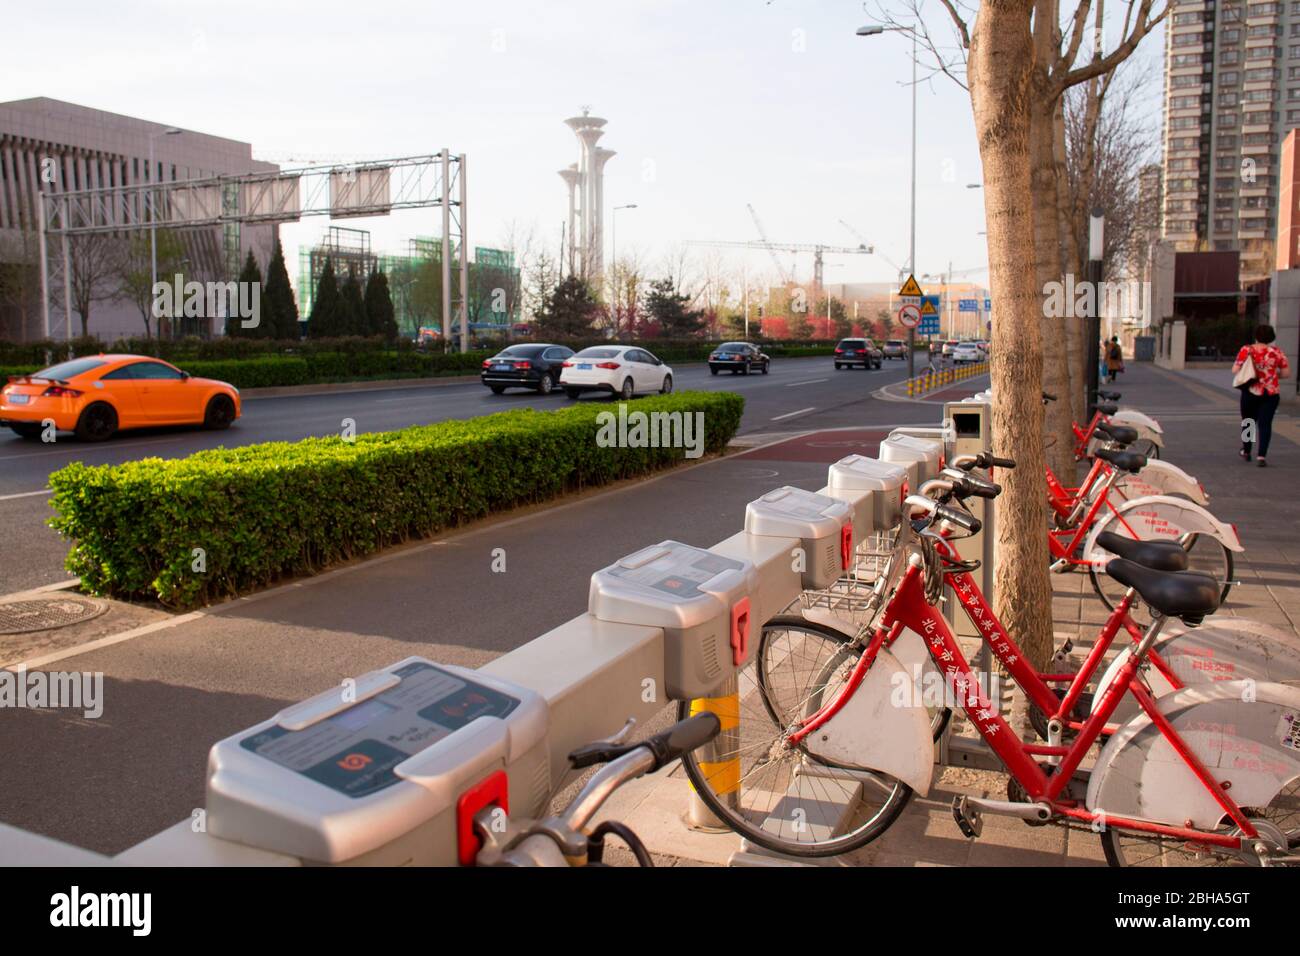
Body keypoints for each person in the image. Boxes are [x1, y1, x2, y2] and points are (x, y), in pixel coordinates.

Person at [1234, 324, 1291, 467]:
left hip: (1250, 392)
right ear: (1271, 337)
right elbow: (1286, 374)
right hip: (1270, 393)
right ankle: (1261, 456)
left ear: (1256, 335)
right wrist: (1271, 374)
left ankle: (1246, 451)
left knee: (1249, 422)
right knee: (1265, 424)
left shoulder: (1246, 350)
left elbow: (1235, 369)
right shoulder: (1277, 352)